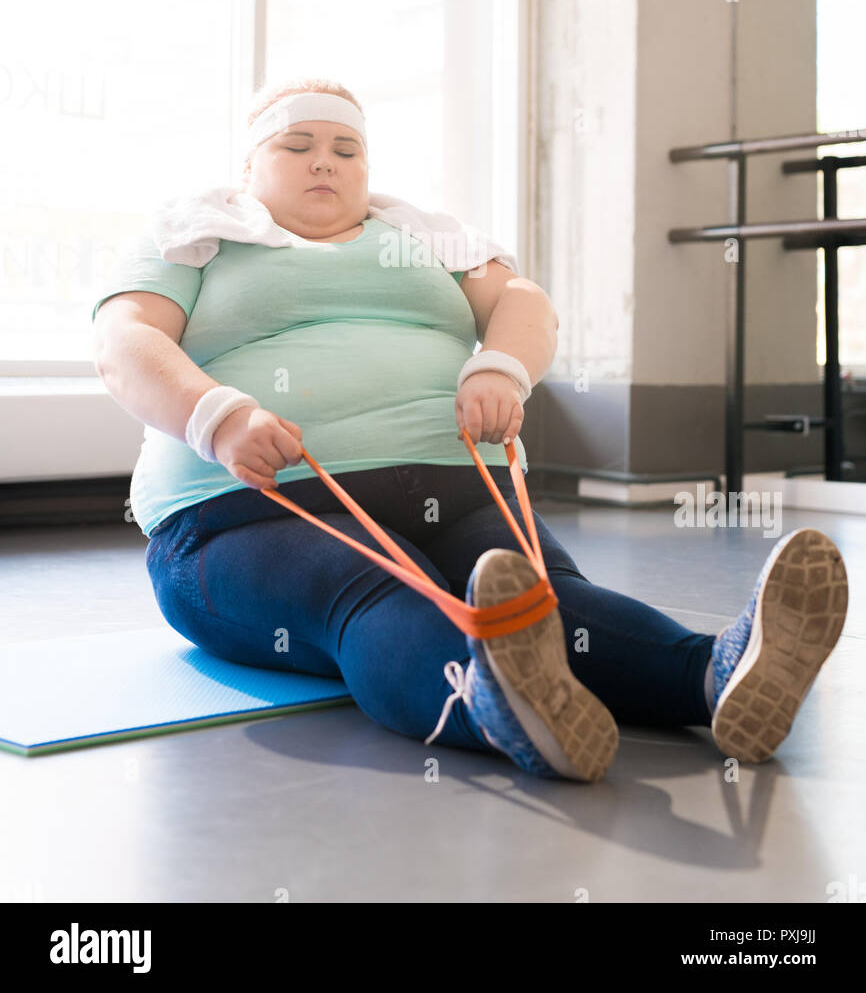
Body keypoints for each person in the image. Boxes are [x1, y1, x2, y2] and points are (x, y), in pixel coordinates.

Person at [91, 79, 849, 782]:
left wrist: (499, 368)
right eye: (297, 146)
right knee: (375, 596)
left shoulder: (424, 236)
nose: (325, 161)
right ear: (250, 164)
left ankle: (719, 675)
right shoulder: (196, 234)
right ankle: (496, 708)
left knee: (550, 600)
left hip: (455, 487)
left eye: (345, 149)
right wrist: (218, 418)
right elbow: (125, 339)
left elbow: (523, 301)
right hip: (250, 510)